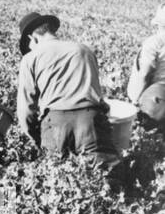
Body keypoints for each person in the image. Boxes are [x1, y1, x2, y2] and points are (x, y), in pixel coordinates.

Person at [16, 11, 112, 159]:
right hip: (90, 123)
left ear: (32, 38)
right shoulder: (84, 50)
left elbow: (25, 112)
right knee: (106, 175)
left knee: (56, 176)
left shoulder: (30, 58)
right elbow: (97, 95)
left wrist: (38, 138)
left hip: (55, 125)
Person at [127, 5, 165, 128]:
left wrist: (134, 102)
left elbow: (144, 75)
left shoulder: (154, 43)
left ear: (158, 24)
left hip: (158, 98)